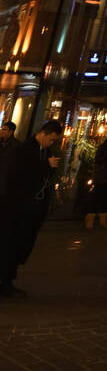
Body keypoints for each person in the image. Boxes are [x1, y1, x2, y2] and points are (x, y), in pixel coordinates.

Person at [6, 120, 62, 294]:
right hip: (18, 207)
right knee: (11, 243)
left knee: (22, 244)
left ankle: (9, 279)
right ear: (43, 133)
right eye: (51, 139)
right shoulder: (25, 150)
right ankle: (5, 280)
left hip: (33, 208)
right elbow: (20, 174)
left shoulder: (46, 151)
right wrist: (45, 165)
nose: (51, 143)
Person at [0, 121, 20, 297]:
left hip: (5, 190)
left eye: (5, 129)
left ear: (12, 131)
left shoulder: (16, 147)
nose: (2, 131)